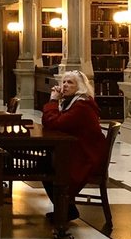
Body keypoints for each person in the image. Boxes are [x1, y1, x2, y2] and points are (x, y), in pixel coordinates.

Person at [41, 69, 108, 222]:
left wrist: (52, 101)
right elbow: (56, 122)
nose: (65, 85)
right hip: (78, 151)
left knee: (48, 167)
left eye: (70, 82)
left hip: (86, 157)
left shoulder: (82, 106)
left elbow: (54, 123)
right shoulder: (74, 102)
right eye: (63, 82)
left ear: (80, 86)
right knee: (45, 163)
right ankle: (65, 207)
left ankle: (66, 209)